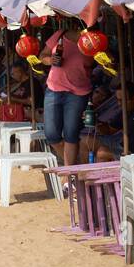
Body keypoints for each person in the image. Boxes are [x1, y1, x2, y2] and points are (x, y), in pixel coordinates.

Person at [40, 29, 93, 166]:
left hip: (78, 92)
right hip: (54, 88)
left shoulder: (93, 40)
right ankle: (73, 167)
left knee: (71, 134)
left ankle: (70, 174)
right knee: (51, 135)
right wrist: (50, 60)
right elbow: (42, 56)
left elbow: (102, 61)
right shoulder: (60, 35)